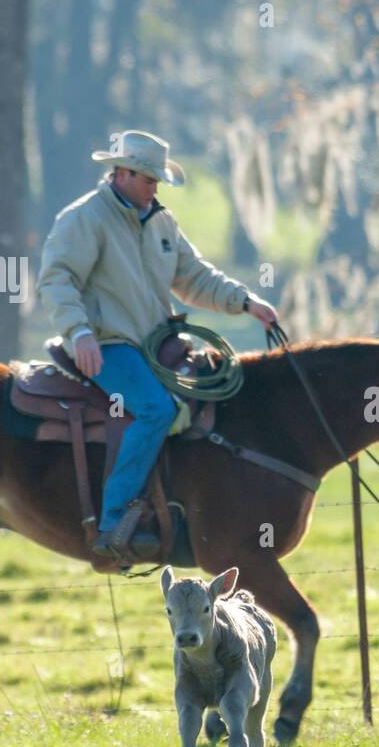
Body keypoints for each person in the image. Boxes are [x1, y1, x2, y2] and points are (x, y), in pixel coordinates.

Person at [37, 130, 278, 562]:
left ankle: (183, 513)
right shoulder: (84, 219)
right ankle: (113, 523)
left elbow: (194, 277)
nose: (155, 188)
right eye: (149, 179)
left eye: (157, 180)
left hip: (156, 344)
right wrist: (79, 332)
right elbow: (58, 280)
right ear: (122, 173)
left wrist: (245, 301)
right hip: (109, 343)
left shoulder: (162, 221)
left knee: (214, 394)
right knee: (156, 409)